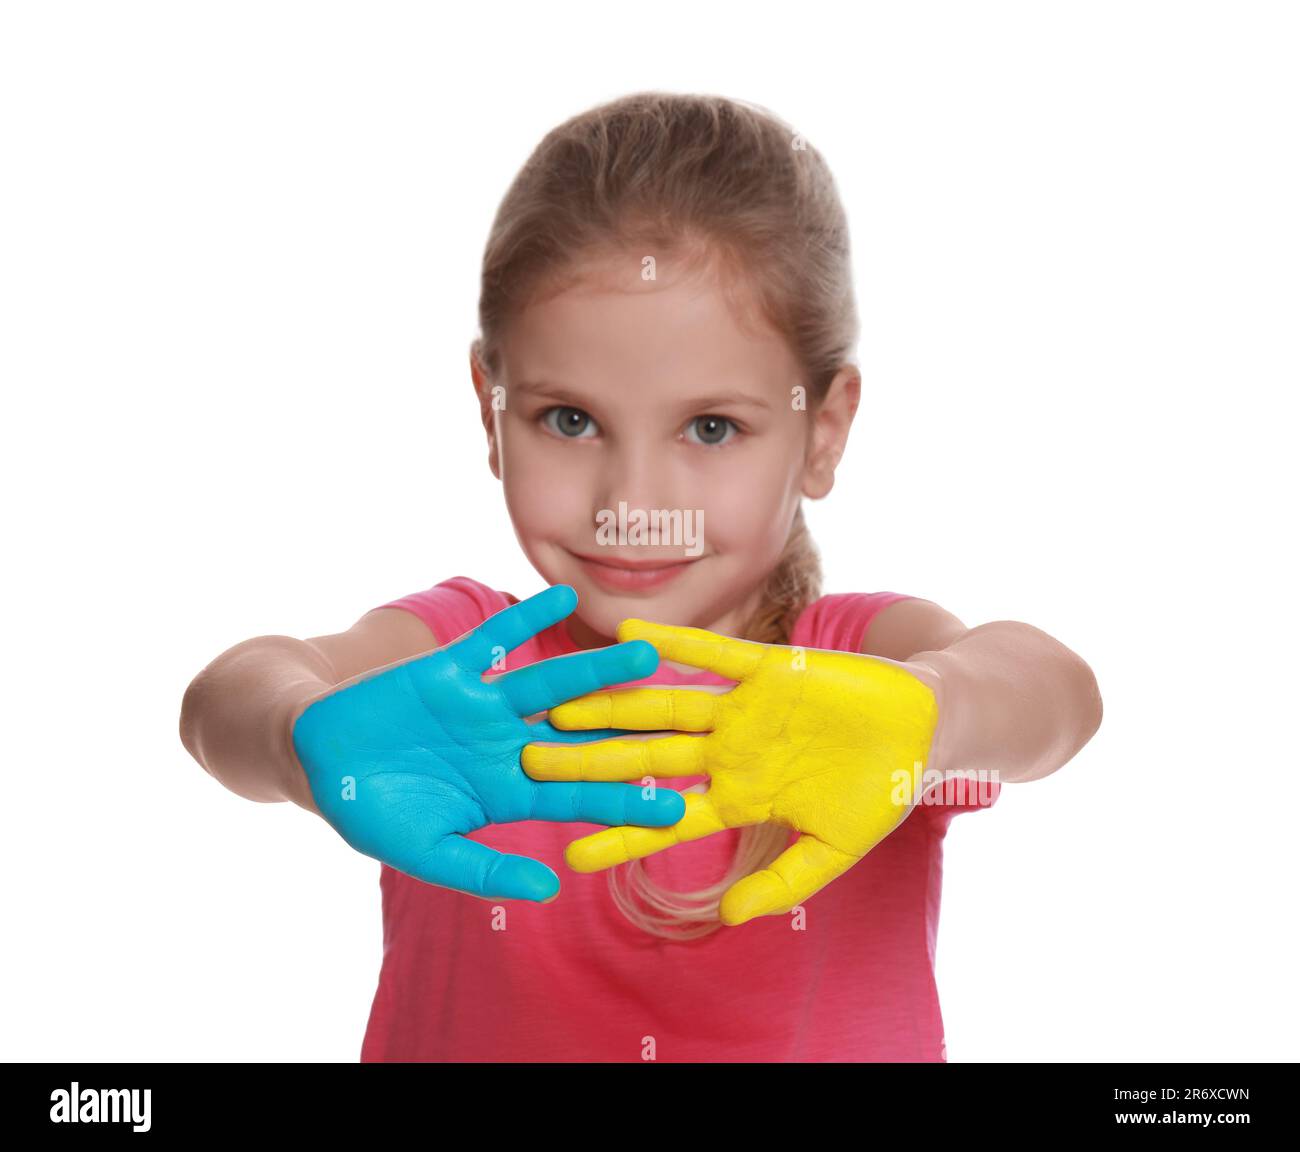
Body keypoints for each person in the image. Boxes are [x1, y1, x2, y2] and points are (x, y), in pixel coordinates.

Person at [179, 91, 1102, 1062]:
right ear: (489, 410)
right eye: (569, 420)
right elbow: (227, 697)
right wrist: (295, 739)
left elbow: (1054, 696)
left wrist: (935, 708)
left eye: (711, 429)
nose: (632, 499)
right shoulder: (458, 663)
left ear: (822, 430)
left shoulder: (854, 668)